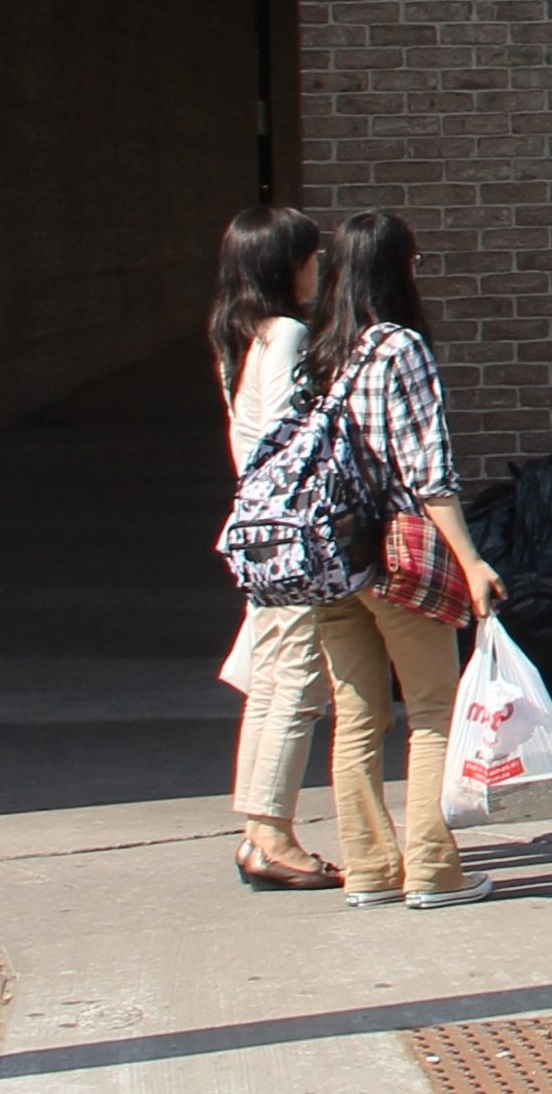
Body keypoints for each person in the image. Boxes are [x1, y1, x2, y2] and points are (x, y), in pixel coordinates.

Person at [307, 210, 507, 909]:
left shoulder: (323, 349)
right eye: (415, 261)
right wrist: (472, 561)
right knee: (431, 711)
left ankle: (367, 869)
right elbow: (430, 473)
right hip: (399, 556)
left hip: (331, 559)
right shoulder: (400, 348)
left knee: (358, 716)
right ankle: (431, 868)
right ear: (396, 268)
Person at [211, 206, 341, 891]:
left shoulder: (243, 335)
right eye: (309, 254)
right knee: (294, 683)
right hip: (292, 534)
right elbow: (298, 440)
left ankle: (260, 827)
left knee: (269, 682)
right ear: (284, 264)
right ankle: (272, 836)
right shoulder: (289, 332)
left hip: (258, 528)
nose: (317, 265)